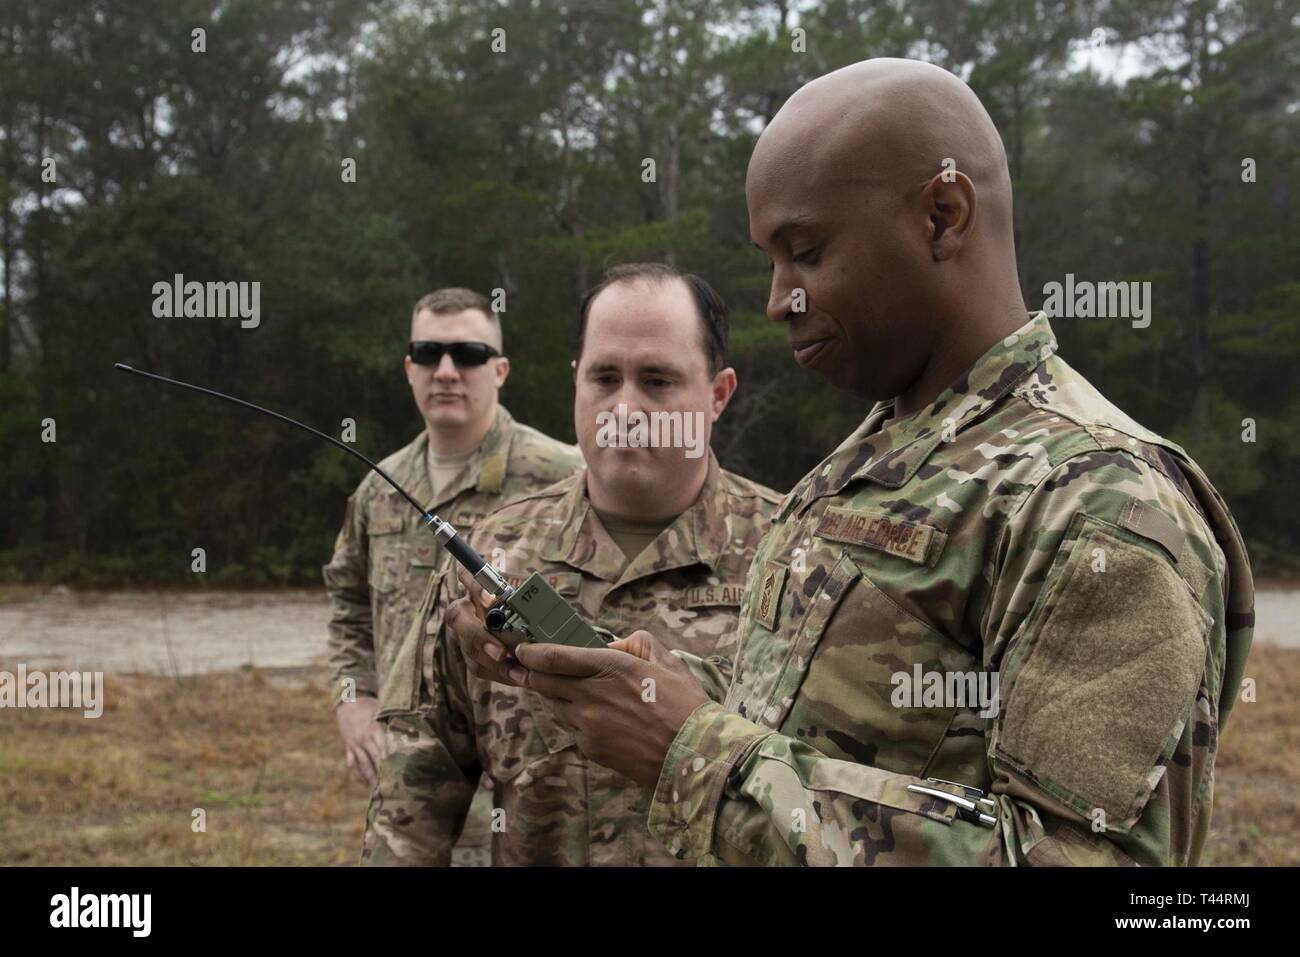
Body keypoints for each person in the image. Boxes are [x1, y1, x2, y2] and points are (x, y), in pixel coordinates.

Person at [449, 59, 1255, 866]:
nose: (778, 300)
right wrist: (644, 680)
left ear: (942, 217)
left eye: (805, 251)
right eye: (772, 262)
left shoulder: (1099, 503)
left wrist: (691, 755)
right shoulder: (874, 457)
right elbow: (821, 723)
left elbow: (1083, 861)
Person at [361, 263, 780, 865]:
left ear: (718, 394)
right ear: (576, 382)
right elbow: (414, 796)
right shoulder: (492, 554)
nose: (624, 407)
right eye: (603, 377)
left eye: (658, 380)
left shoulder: (795, 559)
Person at [323, 287, 583, 862]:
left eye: (467, 354)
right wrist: (354, 699)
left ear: (500, 370)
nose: (446, 371)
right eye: (428, 354)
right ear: (409, 368)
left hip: (530, 779)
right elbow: (348, 601)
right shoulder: (381, 487)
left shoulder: (563, 477)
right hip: (411, 775)